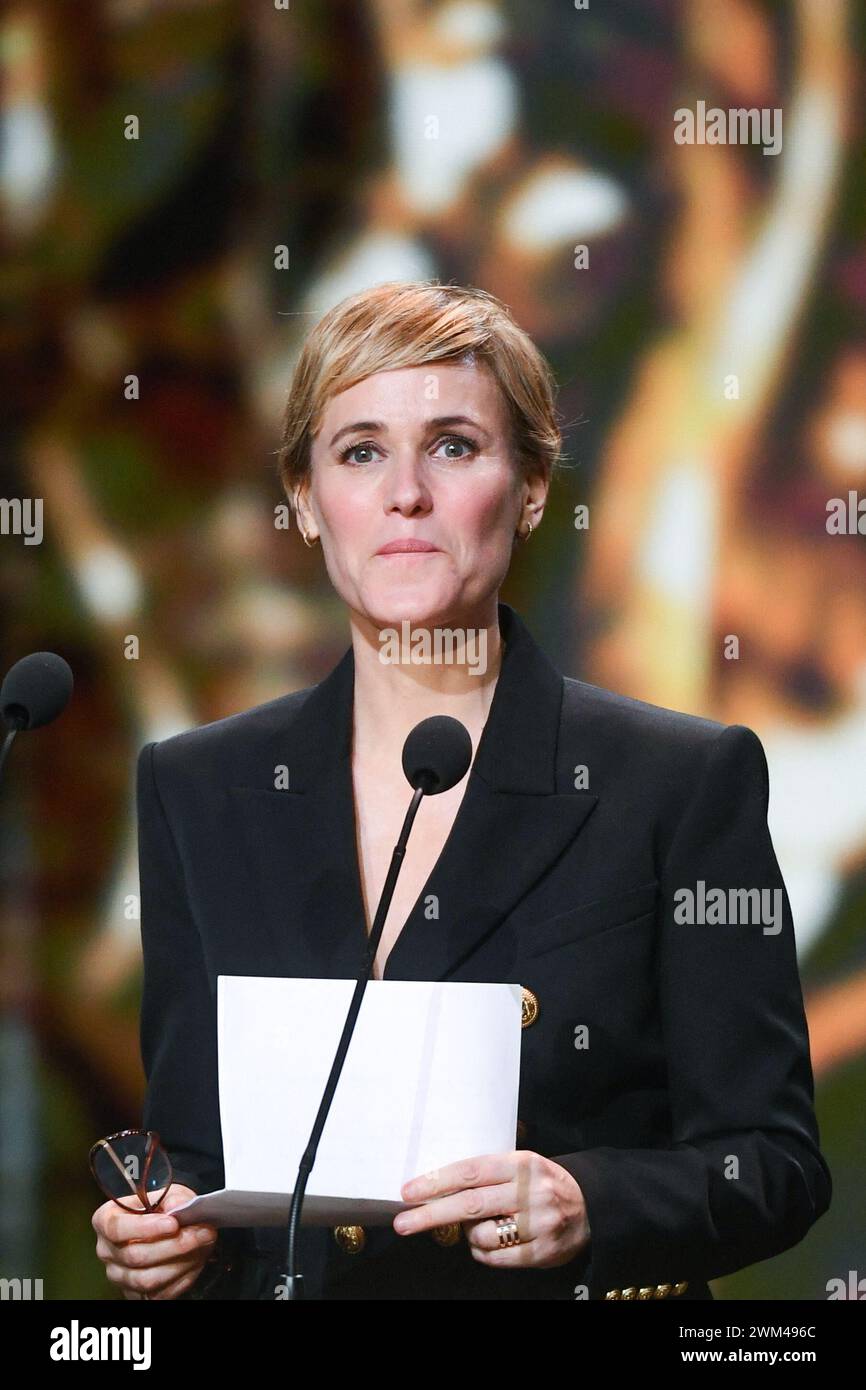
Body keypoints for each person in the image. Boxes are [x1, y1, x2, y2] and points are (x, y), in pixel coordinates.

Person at [92, 280, 831, 1300]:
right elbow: (200, 1152)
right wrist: (162, 1230)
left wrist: (589, 1201)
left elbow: (774, 1164)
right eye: (358, 451)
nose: (404, 493)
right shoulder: (197, 789)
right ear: (304, 501)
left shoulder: (676, 784)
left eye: (451, 445)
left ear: (527, 487)